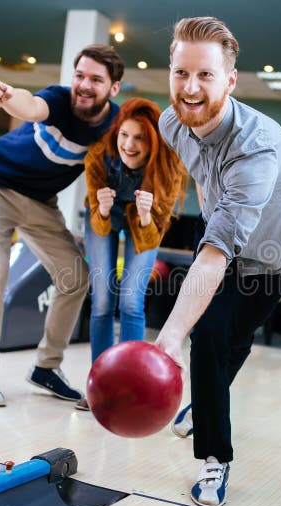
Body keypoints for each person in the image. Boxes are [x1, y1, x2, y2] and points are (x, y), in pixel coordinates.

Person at [154, 17, 281, 506]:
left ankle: (205, 399)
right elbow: (203, 176)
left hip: (274, 252)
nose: (191, 88)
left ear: (230, 80)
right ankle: (215, 458)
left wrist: (168, 335)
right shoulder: (171, 121)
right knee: (212, 335)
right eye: (182, 73)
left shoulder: (256, 145)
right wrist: (211, 212)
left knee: (232, 338)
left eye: (205, 75)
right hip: (224, 227)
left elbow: (220, 254)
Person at [0, 45, 124, 407]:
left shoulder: (114, 125)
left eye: (96, 80)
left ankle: (46, 367)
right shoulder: (59, 99)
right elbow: (30, 105)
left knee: (75, 279)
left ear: (114, 88)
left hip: (39, 201)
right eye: (79, 75)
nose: (84, 85)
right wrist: (7, 97)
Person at [76, 97, 188, 411]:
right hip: (104, 219)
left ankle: (130, 384)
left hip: (144, 221)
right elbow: (97, 225)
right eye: (124, 135)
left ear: (152, 142)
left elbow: (153, 235)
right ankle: (100, 386)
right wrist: (104, 208)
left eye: (139, 137)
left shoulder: (166, 168)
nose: (129, 144)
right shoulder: (99, 155)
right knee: (102, 301)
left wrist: (146, 216)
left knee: (130, 300)